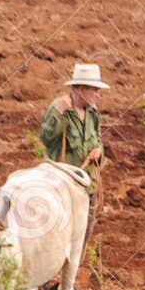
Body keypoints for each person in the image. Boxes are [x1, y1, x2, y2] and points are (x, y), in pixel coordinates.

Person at [39, 61, 108, 238]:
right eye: (95, 90)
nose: (98, 95)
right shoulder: (60, 108)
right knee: (60, 236)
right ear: (81, 90)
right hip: (62, 187)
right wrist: (58, 116)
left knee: (83, 234)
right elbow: (46, 138)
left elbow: (98, 139)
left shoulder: (93, 112)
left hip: (87, 185)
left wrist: (98, 151)